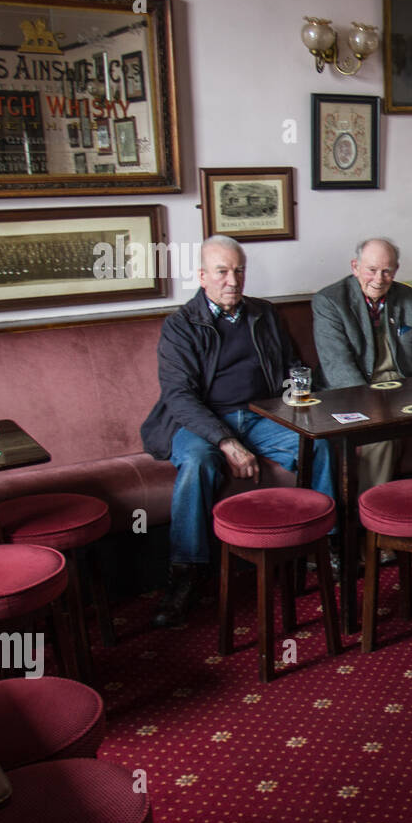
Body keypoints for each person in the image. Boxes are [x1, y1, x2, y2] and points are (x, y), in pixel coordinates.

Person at [140, 235, 334, 628]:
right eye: (222, 271)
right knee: (197, 464)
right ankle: (186, 574)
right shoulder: (181, 326)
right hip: (199, 421)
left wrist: (302, 398)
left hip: (262, 416)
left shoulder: (263, 314)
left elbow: (291, 367)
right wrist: (226, 441)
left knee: (321, 442)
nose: (233, 280)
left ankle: (325, 544)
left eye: (239, 271)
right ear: (202, 276)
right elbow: (179, 397)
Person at [311, 238, 412, 490]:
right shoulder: (330, 301)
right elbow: (338, 369)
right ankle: (374, 519)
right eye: (371, 270)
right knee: (380, 438)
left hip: (406, 390)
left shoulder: (409, 298)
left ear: (396, 270)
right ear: (355, 267)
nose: (379, 278)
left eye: (387, 271)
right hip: (355, 392)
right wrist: (378, 410)